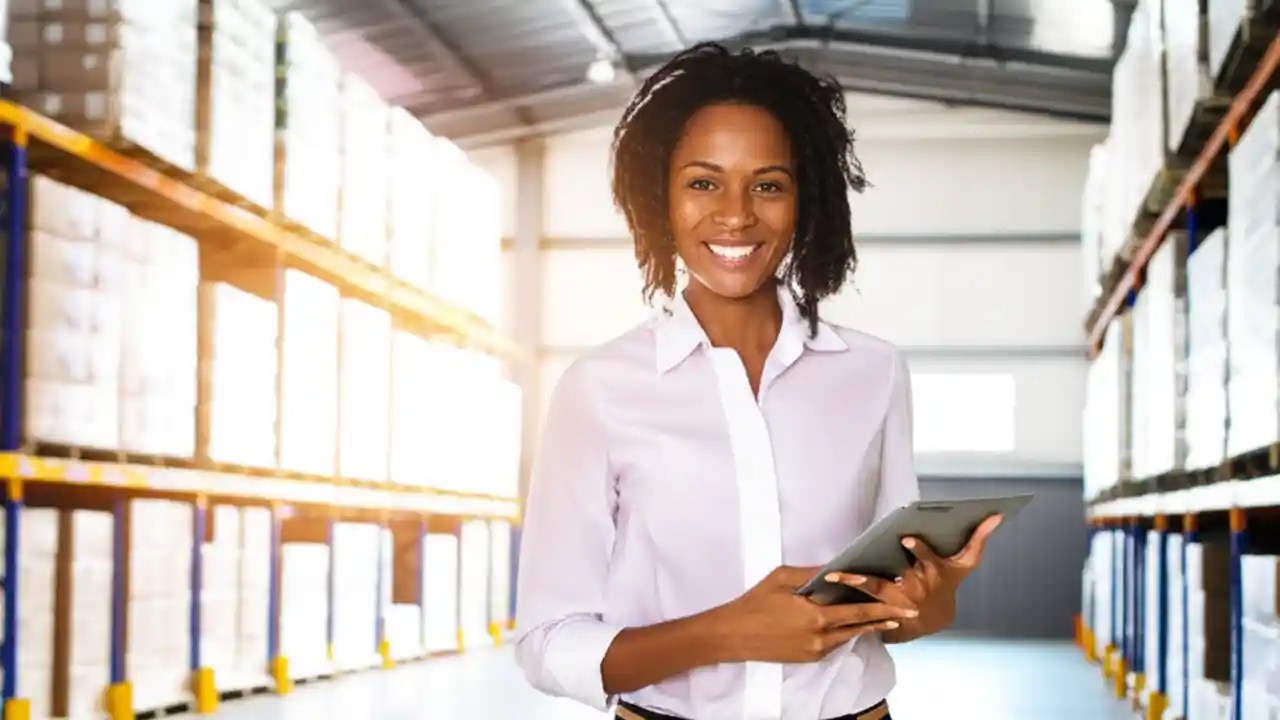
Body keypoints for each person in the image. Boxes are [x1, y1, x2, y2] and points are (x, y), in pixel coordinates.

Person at [513, 42, 1003, 720]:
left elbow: (892, 608)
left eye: (768, 184)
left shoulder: (874, 372)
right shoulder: (599, 387)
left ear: (807, 199)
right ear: (660, 194)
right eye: (703, 182)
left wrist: (932, 602)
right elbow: (546, 643)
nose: (737, 214)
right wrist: (727, 631)